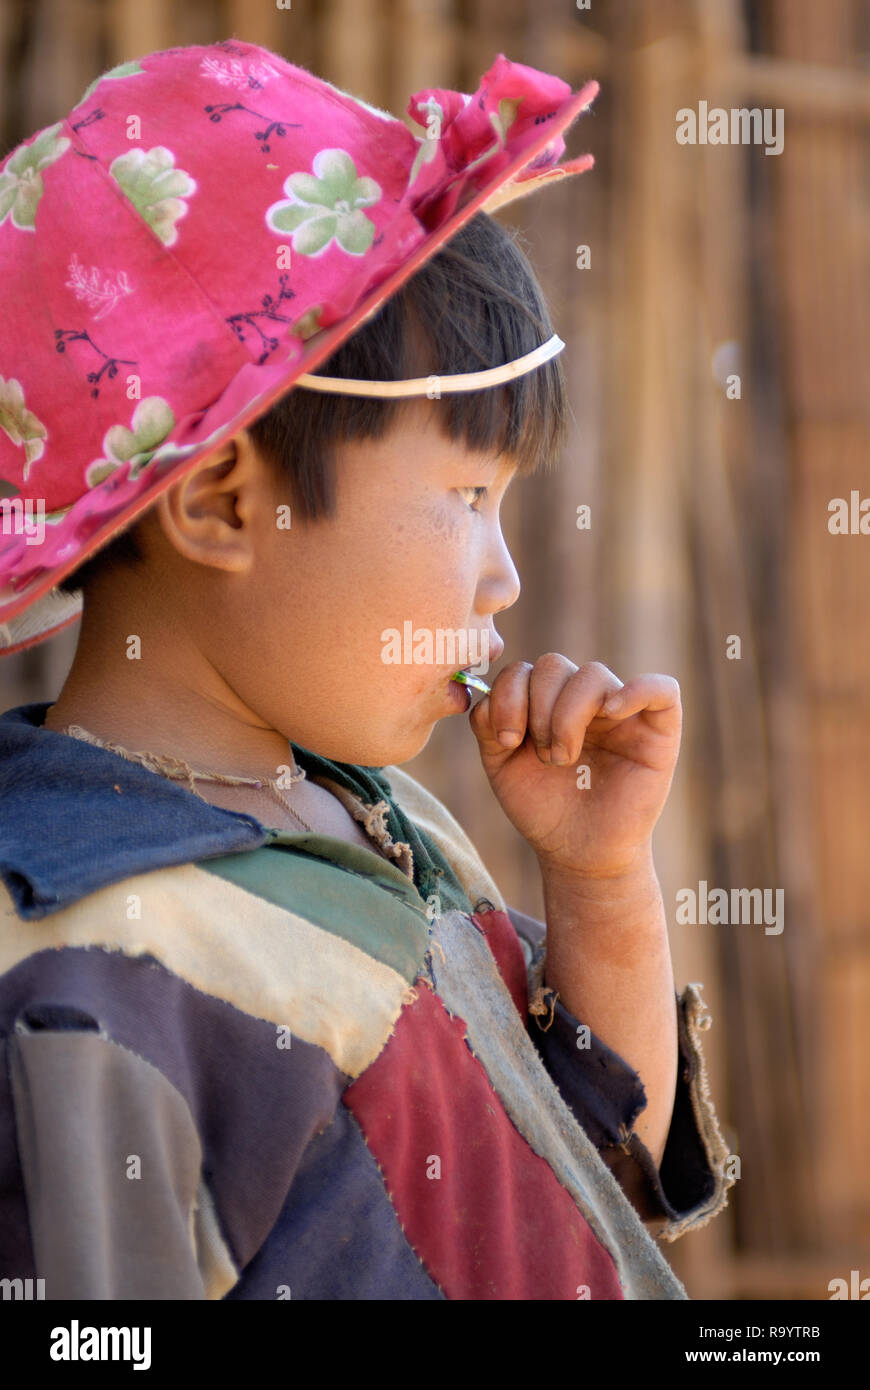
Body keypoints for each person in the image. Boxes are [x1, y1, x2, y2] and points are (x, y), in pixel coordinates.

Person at [0, 38, 733, 1300]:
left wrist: (599, 881)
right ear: (227, 504)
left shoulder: (373, 818)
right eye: (465, 495)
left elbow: (601, 1169)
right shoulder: (90, 964)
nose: (504, 576)